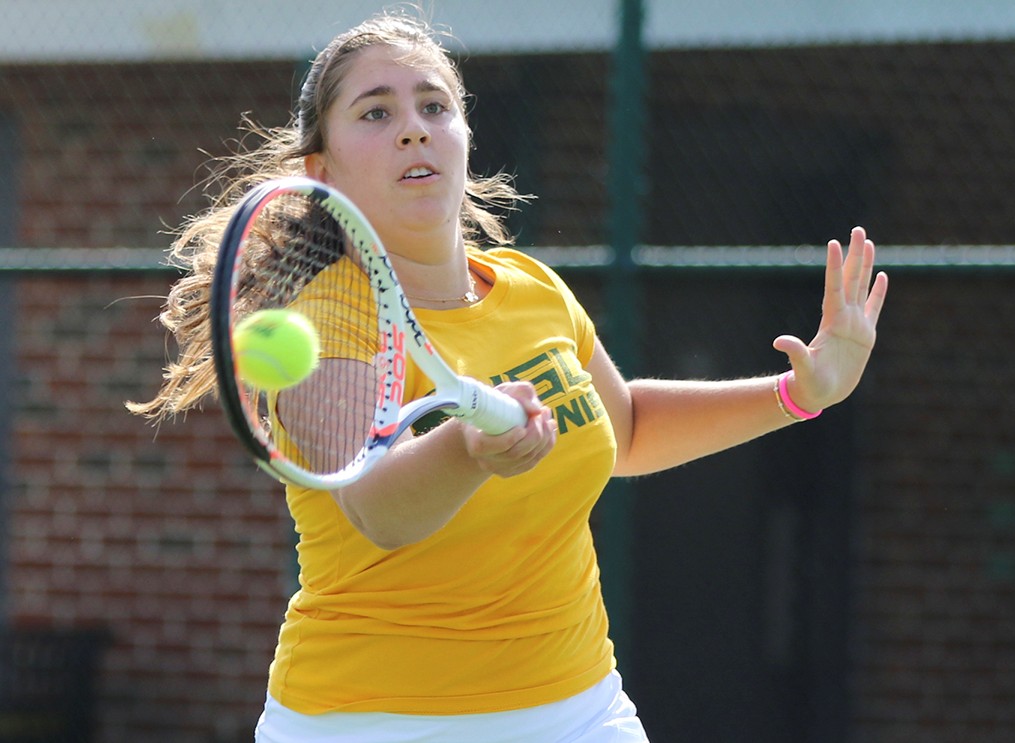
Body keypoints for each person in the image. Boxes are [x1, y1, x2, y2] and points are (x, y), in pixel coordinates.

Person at [128, 9, 888, 743]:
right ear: (322, 170)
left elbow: (625, 431)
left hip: (577, 706)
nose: (414, 125)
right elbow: (378, 506)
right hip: (368, 718)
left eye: (435, 104)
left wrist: (800, 393)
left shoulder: (531, 286)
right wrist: (468, 451)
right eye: (375, 112)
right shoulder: (322, 323)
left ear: (463, 135)